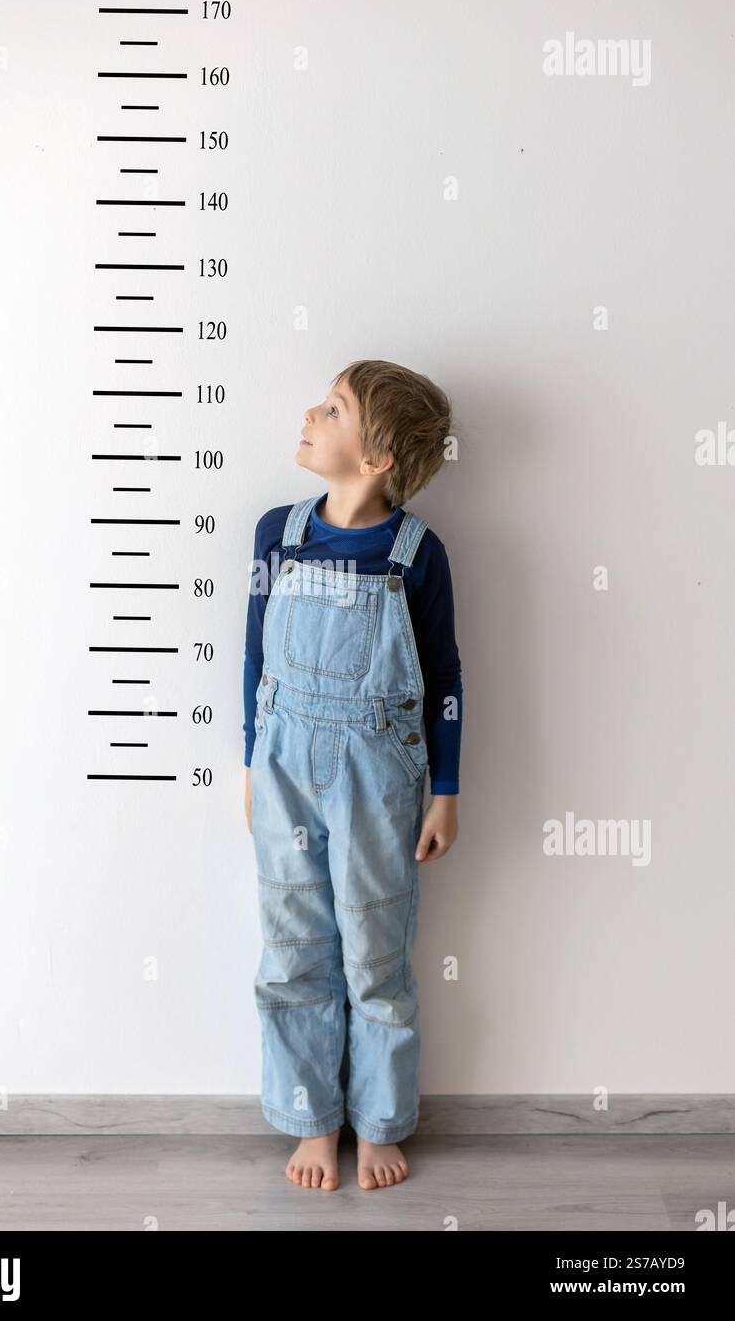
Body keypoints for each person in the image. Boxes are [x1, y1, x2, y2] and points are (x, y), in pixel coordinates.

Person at [242, 358, 462, 1190]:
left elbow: (444, 677)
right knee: (295, 940)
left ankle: (378, 1121)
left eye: (333, 409)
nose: (310, 412)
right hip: (286, 762)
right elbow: (255, 655)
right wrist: (250, 764)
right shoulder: (279, 533)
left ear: (376, 461)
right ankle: (311, 1117)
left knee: (375, 947)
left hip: (379, 773)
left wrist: (446, 789)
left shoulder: (417, 553)